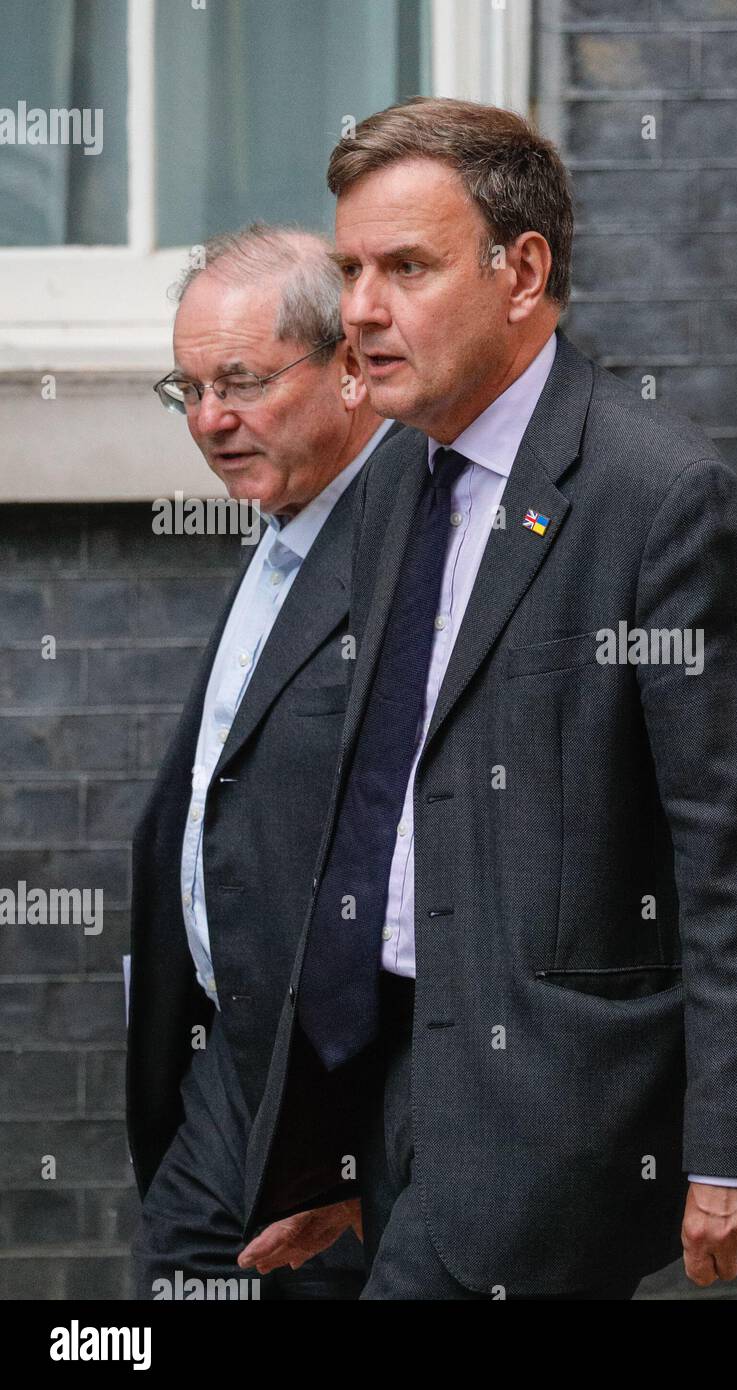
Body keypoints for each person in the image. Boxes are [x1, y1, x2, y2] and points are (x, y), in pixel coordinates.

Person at [237, 98, 737, 1299]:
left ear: (523, 273)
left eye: (405, 266)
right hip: (385, 1083)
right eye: (351, 269)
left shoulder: (658, 495)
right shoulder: (395, 477)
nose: (360, 308)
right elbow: (370, 804)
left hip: (552, 1115)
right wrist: (325, 1121)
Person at [127, 225, 395, 1299]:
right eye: (184, 389)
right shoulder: (284, 528)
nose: (209, 420)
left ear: (349, 368)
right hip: (229, 1073)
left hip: (352, 1096)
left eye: (240, 381)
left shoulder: (415, 543)